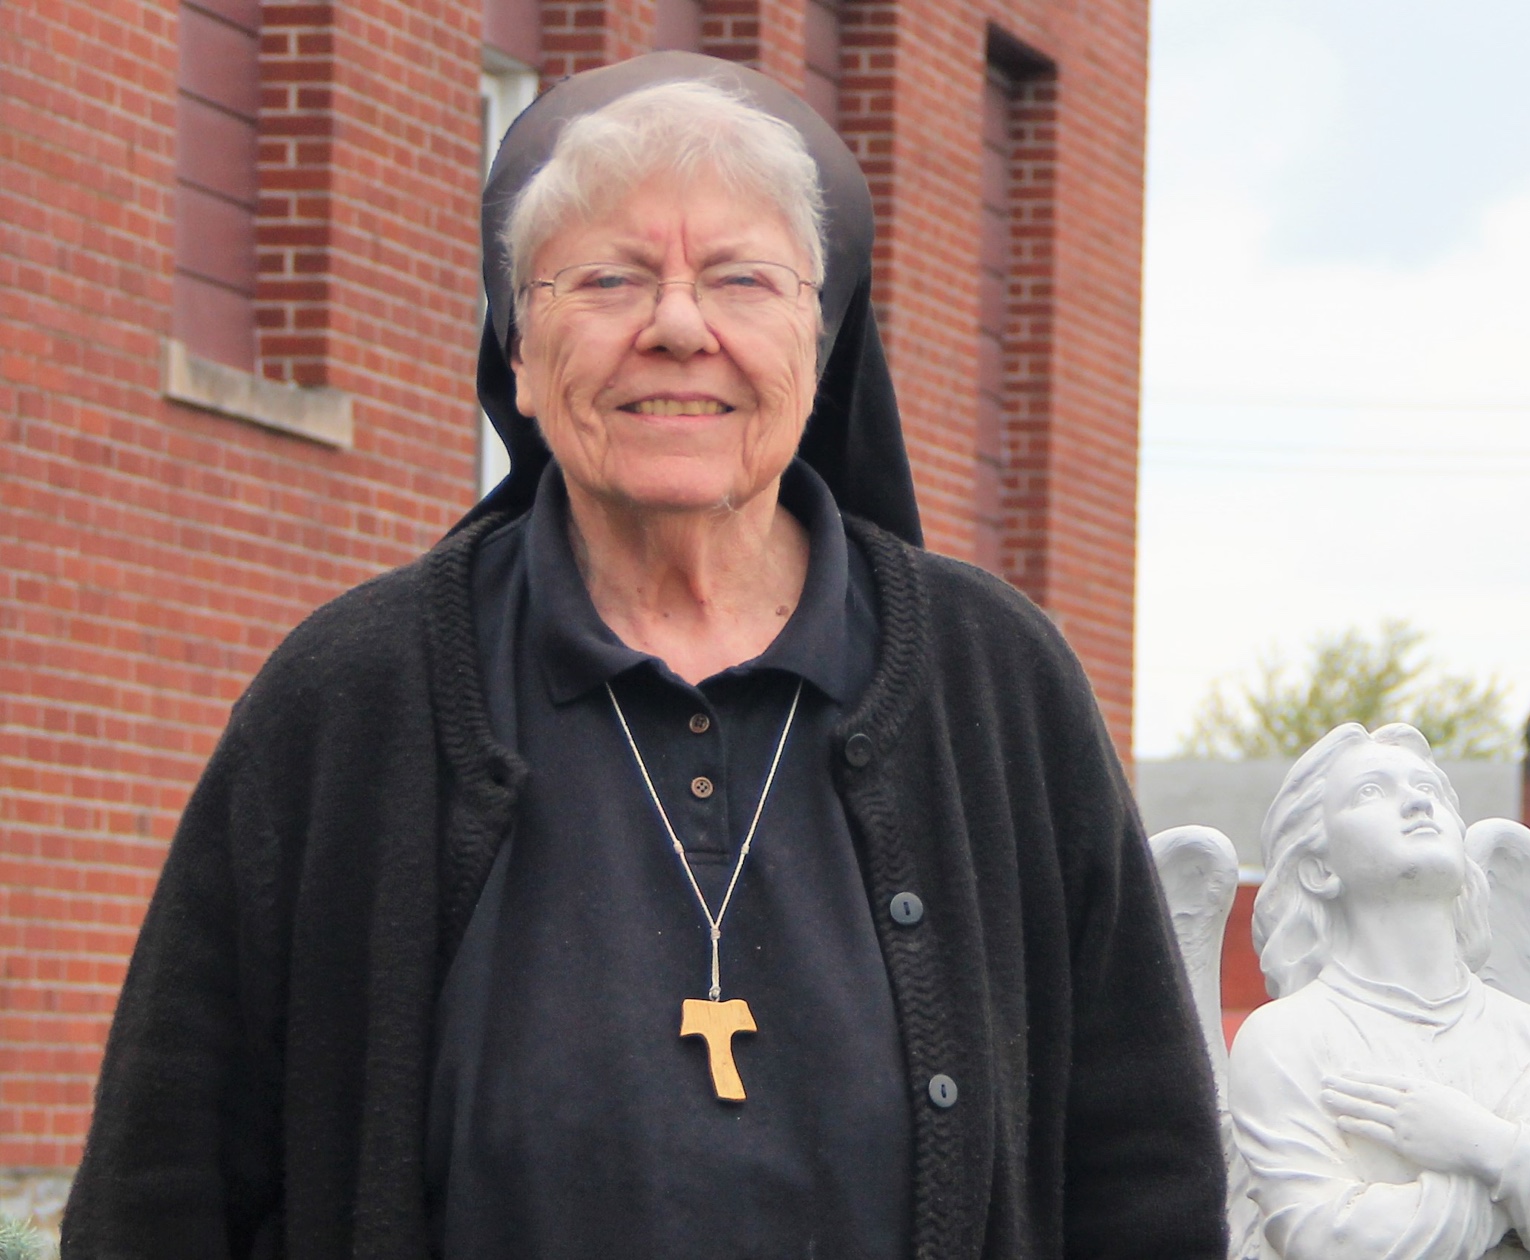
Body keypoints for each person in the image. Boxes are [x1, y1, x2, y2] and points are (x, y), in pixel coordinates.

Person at [62, 53, 1225, 1259]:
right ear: (516, 353)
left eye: (742, 278)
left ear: (817, 349)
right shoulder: (351, 697)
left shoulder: (1001, 688)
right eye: (610, 278)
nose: (679, 327)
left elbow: (1146, 1175)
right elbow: (166, 1181)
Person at [1227, 724, 1530, 1260]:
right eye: (1371, 792)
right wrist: (1522, 1156)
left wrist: (1492, 1146)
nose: (1415, 802)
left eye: (1428, 789)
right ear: (1319, 869)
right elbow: (1329, 1243)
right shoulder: (1286, 1040)